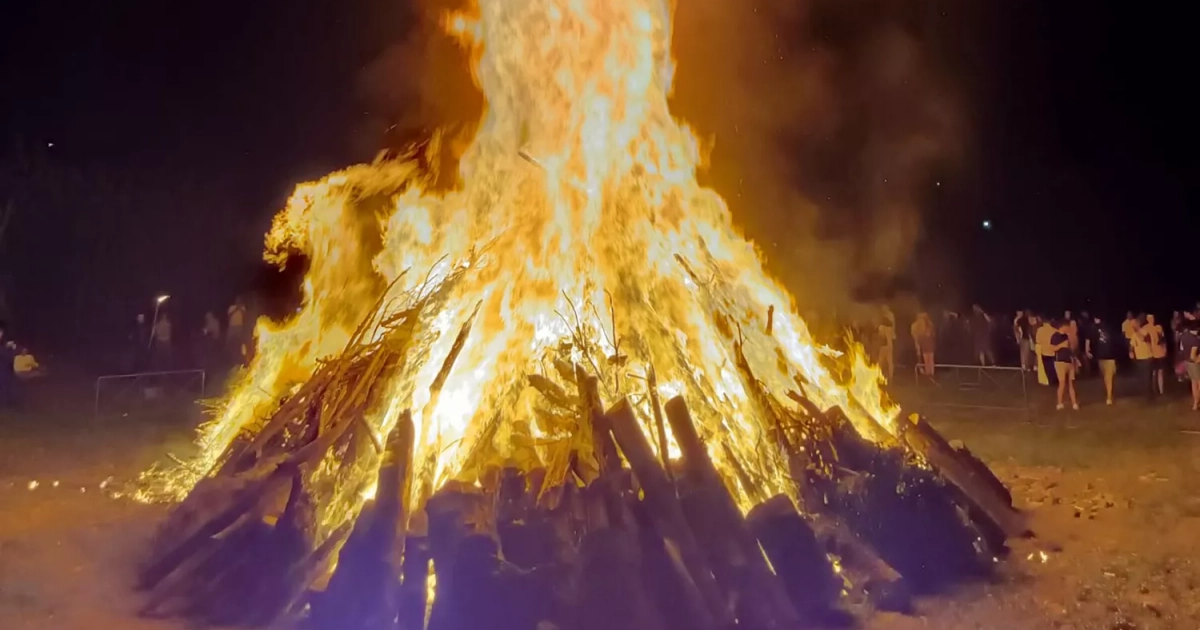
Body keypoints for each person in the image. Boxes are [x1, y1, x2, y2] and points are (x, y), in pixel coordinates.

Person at [1086, 314, 1118, 405]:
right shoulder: (1108, 327)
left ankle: (1109, 396)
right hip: (1106, 356)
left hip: (1104, 356)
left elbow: (1088, 340)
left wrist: (1087, 350)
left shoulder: (1094, 328)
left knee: (1107, 377)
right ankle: (1109, 394)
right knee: (1107, 377)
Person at [1051, 319, 1078, 410]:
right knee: (1062, 382)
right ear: (1063, 326)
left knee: (1071, 383)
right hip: (1060, 362)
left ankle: (1074, 403)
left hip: (1069, 361)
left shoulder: (1068, 336)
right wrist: (1062, 345)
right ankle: (1059, 403)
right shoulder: (1055, 336)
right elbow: (1053, 348)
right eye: (1068, 326)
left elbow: (1072, 349)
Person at [1130, 314, 1155, 400]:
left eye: (1134, 324)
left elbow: (1146, 338)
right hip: (1139, 358)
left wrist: (1137, 329)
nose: (1132, 326)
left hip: (1147, 357)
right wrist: (1131, 352)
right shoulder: (1134, 334)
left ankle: (1149, 395)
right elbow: (1132, 344)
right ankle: (1146, 393)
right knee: (1142, 377)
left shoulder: (1144, 331)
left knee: (1147, 377)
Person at [1179, 312, 1200, 410]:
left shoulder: (1184, 336)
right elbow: (1193, 356)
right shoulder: (1195, 340)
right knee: (1199, 384)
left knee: (1193, 382)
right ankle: (1196, 403)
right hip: (1194, 364)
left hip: (1187, 362)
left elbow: (1182, 349)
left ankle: (1195, 404)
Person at [1144, 314, 1168, 396]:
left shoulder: (1158, 327)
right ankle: (1154, 389)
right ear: (1147, 319)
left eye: (1153, 318)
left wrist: (1164, 348)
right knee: (1153, 372)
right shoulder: (1145, 328)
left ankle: (1161, 390)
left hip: (1160, 353)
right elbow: (1145, 341)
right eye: (1150, 318)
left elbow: (1163, 339)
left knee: (1160, 372)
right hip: (1151, 354)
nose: (1152, 320)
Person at [911, 312, 936, 379]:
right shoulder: (918, 327)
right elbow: (917, 336)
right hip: (924, 345)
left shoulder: (929, 326)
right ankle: (928, 374)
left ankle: (931, 374)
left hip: (929, 345)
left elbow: (932, 335)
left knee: (930, 360)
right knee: (926, 361)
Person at [1035, 316, 1059, 386]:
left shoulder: (1040, 330)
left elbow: (1038, 341)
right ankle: (1055, 380)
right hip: (1053, 352)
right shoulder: (1054, 331)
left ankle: (1050, 380)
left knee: (1047, 368)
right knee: (1054, 367)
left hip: (1044, 352)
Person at [0, 323, 19, 407]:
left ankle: (7, 402)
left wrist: (12, 348)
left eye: (1, 332)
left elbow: (11, 356)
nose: (0, 334)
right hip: (2, 368)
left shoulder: (5, 343)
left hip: (6, 368)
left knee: (7, 385)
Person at [877, 307, 896, 382]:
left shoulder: (881, 328)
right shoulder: (890, 329)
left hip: (882, 346)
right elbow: (893, 336)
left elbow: (879, 336)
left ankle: (878, 375)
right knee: (890, 362)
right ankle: (891, 377)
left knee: (880, 362)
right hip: (889, 345)